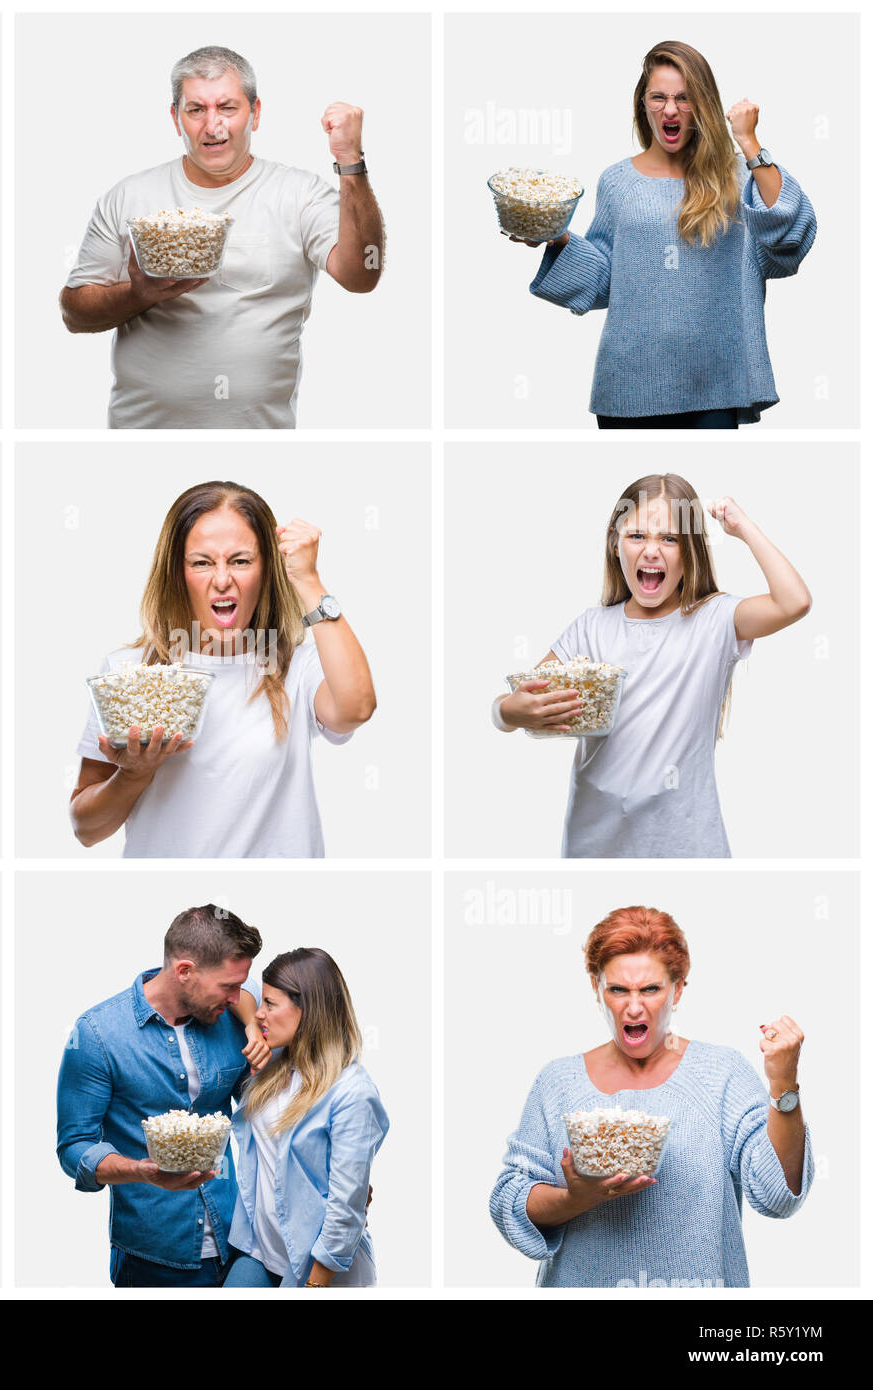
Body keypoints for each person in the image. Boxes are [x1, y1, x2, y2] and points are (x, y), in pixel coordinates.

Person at [60, 45, 384, 428]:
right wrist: (137, 295)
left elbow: (362, 274)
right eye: (196, 110)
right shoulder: (130, 195)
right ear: (176, 118)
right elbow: (74, 313)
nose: (213, 126)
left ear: (255, 113)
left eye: (228, 108)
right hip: (140, 434)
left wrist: (350, 161)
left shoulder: (299, 194)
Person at [490, 906, 810, 1287]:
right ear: (596, 988)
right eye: (618, 989)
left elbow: (779, 1197)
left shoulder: (721, 1073)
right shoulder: (558, 1081)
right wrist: (577, 1198)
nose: (634, 1006)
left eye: (651, 989)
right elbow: (509, 1200)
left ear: (677, 989)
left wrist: (784, 1082)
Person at [492, 473, 810, 856]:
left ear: (689, 550)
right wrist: (507, 713)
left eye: (670, 539)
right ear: (615, 543)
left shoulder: (714, 620)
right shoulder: (591, 628)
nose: (652, 551)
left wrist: (744, 528)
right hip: (595, 846)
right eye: (637, 535)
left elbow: (794, 602)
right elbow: (520, 698)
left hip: (688, 846)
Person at [512, 40, 816, 427]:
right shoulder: (618, 181)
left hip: (716, 383)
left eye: (684, 98)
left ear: (701, 106)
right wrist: (558, 237)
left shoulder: (737, 177)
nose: (670, 109)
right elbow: (608, 282)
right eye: (659, 97)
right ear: (643, 103)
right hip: (627, 386)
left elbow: (790, 237)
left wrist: (749, 143)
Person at [70, 480, 376, 857]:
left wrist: (309, 581)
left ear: (266, 569)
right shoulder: (131, 672)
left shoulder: (297, 667)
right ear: (177, 573)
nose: (221, 580)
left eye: (240, 561)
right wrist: (134, 774)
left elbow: (356, 709)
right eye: (201, 562)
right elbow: (86, 829)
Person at [56, 905, 272, 1287]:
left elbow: (270, 1114)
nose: (237, 997)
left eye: (241, 986)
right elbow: (75, 1147)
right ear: (184, 971)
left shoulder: (231, 1020)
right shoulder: (98, 1034)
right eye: (227, 987)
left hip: (238, 1244)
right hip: (152, 1257)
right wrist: (141, 1172)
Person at [224, 948, 388, 1287]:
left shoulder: (352, 1093)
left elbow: (347, 1205)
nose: (259, 1012)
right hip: (259, 1253)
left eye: (271, 1004)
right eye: (263, 1002)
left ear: (308, 1010)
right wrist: (253, 1031)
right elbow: (235, 988)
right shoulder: (272, 1065)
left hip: (316, 1266)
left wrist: (316, 1282)